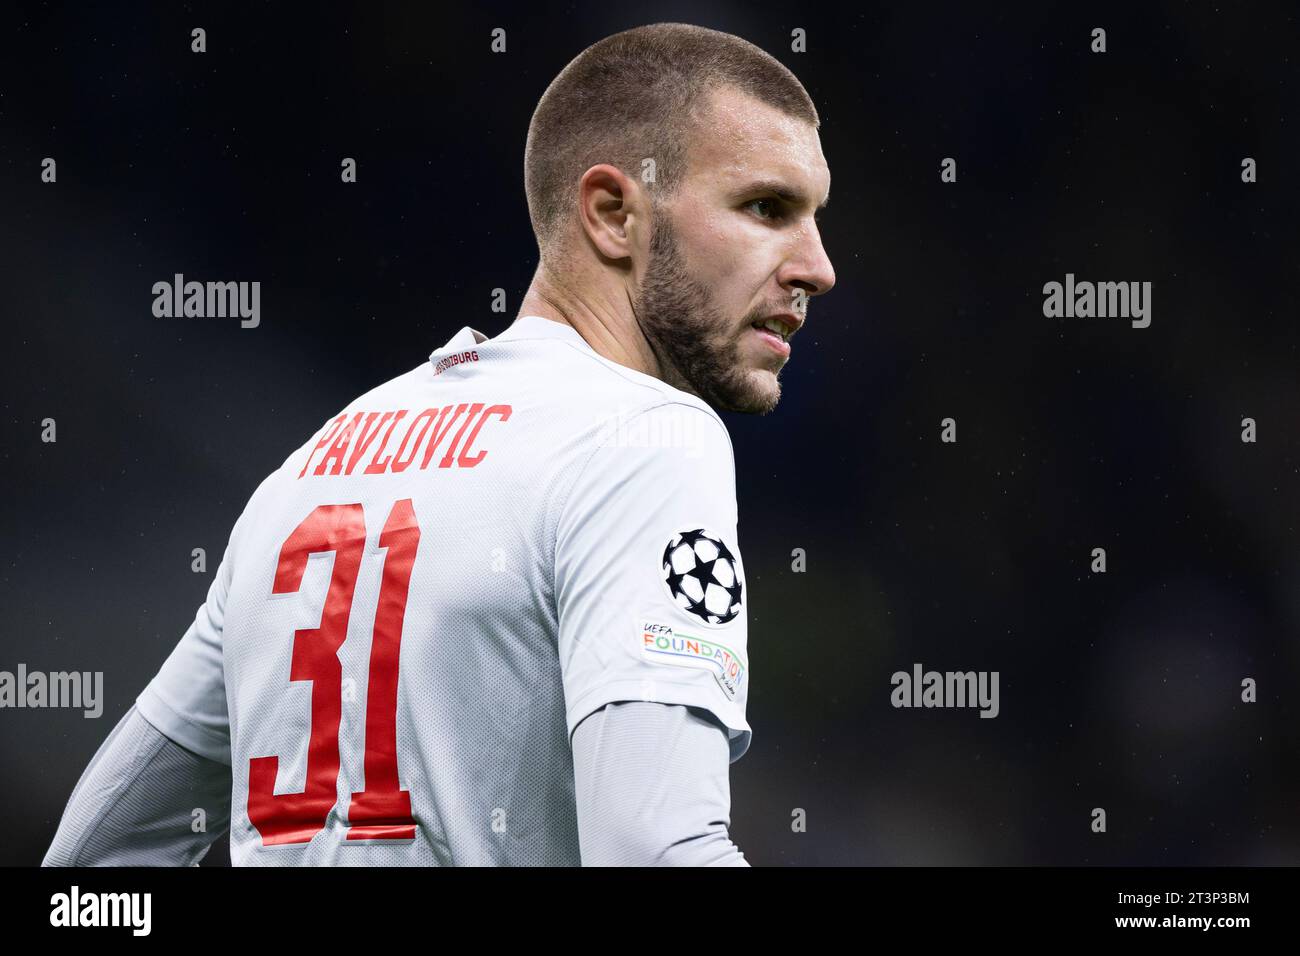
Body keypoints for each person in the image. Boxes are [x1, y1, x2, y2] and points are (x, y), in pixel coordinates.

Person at [42, 21, 834, 867]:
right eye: (766, 209)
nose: (818, 266)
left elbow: (94, 864)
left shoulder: (311, 465)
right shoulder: (647, 438)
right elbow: (653, 846)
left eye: (815, 217)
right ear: (613, 214)